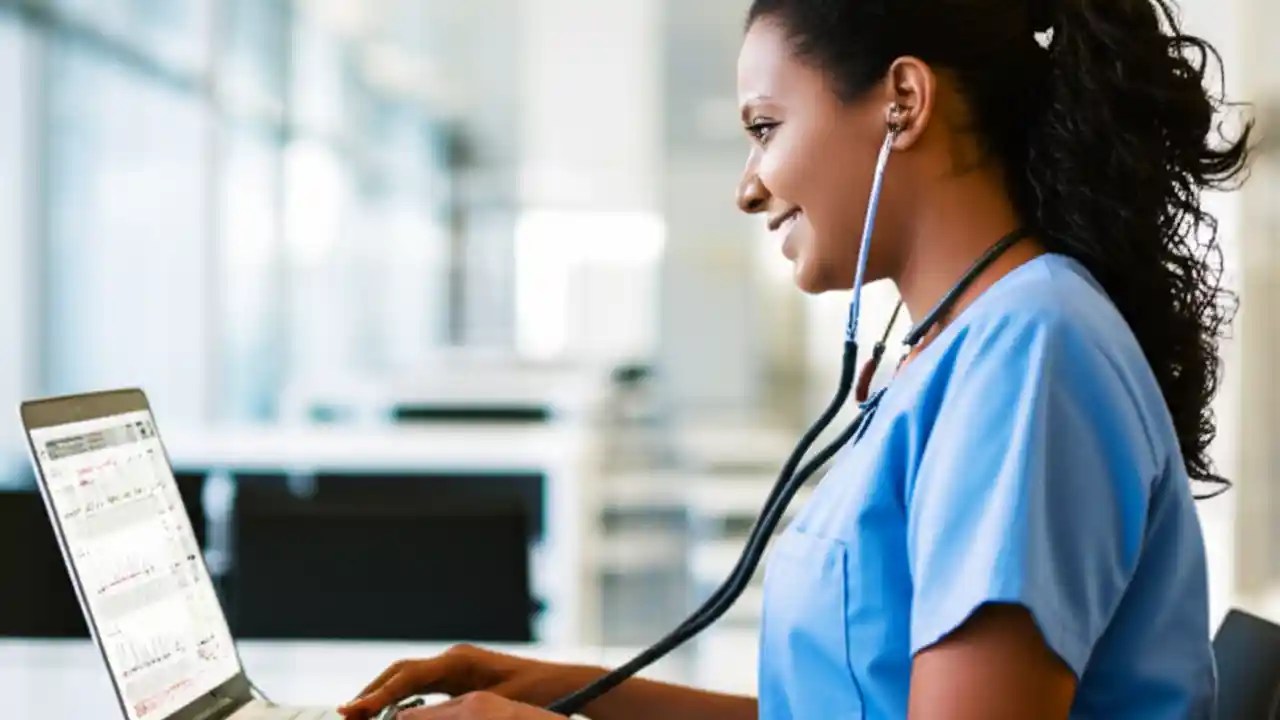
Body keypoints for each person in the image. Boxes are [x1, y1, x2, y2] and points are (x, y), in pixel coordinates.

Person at [338, 0, 1251, 717]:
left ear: (903, 102)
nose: (747, 185)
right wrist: (552, 692)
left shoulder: (1031, 352)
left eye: (765, 126)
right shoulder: (960, 347)